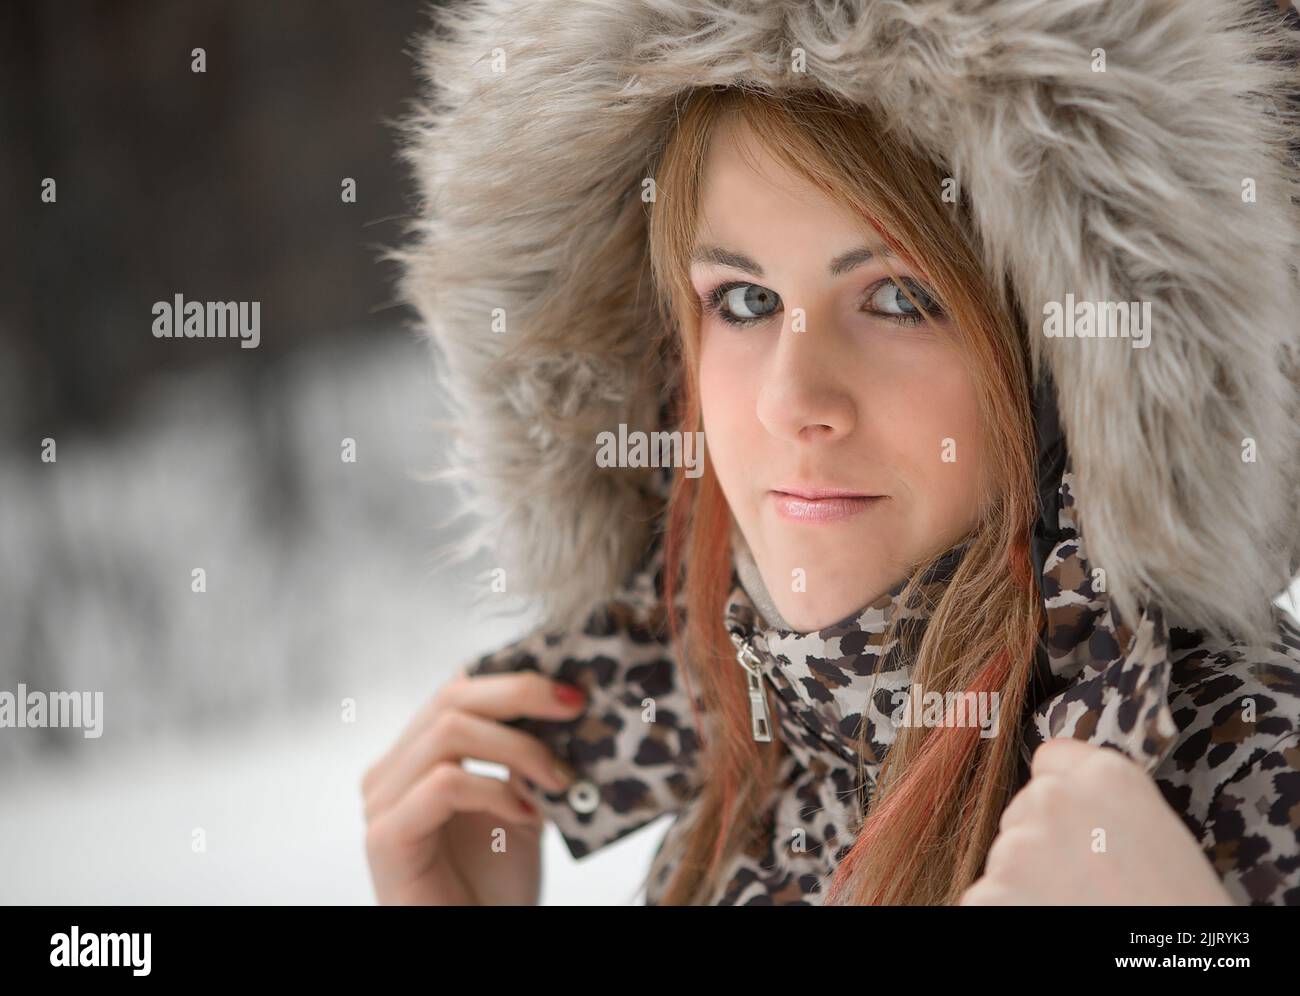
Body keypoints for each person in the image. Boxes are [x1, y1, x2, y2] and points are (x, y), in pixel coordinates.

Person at [364, 0, 1300, 905]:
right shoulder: (748, 792)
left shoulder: (1251, 774)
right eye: (743, 300)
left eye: (899, 298)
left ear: (1073, 369)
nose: (791, 402)